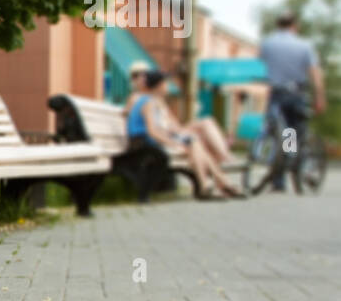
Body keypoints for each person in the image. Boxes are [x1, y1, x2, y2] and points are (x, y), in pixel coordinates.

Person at [127, 69, 244, 198]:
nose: (167, 86)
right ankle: (217, 184)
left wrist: (175, 138)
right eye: (165, 83)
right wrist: (173, 142)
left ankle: (211, 184)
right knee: (193, 143)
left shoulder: (151, 101)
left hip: (148, 141)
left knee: (194, 142)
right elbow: (152, 131)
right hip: (143, 143)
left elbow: (162, 128)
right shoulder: (147, 102)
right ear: (159, 85)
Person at [259, 11, 327, 190]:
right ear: (294, 26)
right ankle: (298, 164)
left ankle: (278, 179)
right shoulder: (304, 45)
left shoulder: (267, 44)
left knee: (276, 131)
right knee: (294, 132)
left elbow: (261, 65)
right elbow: (314, 72)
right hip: (296, 94)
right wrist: (320, 96)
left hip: (276, 93)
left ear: (277, 24)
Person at [126, 60, 235, 165]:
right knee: (198, 136)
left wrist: (179, 130)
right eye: (136, 75)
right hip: (162, 135)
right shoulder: (138, 98)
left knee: (207, 122)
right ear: (132, 79)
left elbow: (170, 118)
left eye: (144, 74)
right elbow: (134, 117)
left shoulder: (155, 98)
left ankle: (222, 155)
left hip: (174, 131)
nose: (141, 78)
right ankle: (221, 157)